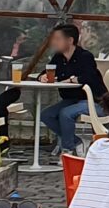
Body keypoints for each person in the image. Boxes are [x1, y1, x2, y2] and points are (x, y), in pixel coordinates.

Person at [37, 23, 102, 161]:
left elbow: (89, 77)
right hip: (71, 99)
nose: (54, 42)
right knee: (46, 115)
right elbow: (46, 71)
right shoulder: (58, 57)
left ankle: (67, 152)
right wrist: (41, 77)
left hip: (93, 100)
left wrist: (72, 80)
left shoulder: (85, 56)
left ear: (70, 40)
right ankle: (75, 141)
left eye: (58, 39)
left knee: (65, 113)